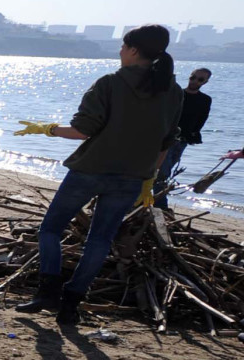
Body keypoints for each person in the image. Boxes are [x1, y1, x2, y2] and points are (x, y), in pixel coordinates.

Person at [13, 24, 183, 323]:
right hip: (133, 178)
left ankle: (48, 291)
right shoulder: (173, 91)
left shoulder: (110, 83)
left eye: (122, 46)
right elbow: (167, 141)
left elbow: (81, 131)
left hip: (90, 170)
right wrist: (150, 178)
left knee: (51, 229)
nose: (119, 51)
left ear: (132, 50)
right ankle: (71, 305)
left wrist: (46, 129)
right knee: (100, 240)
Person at [155, 66, 213, 206]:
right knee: (163, 172)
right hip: (166, 138)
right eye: (193, 77)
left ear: (204, 82)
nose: (194, 81)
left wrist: (193, 135)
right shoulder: (177, 94)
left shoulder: (205, 100)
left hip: (183, 140)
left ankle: (152, 199)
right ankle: (160, 203)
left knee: (165, 171)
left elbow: (201, 120)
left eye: (200, 79)